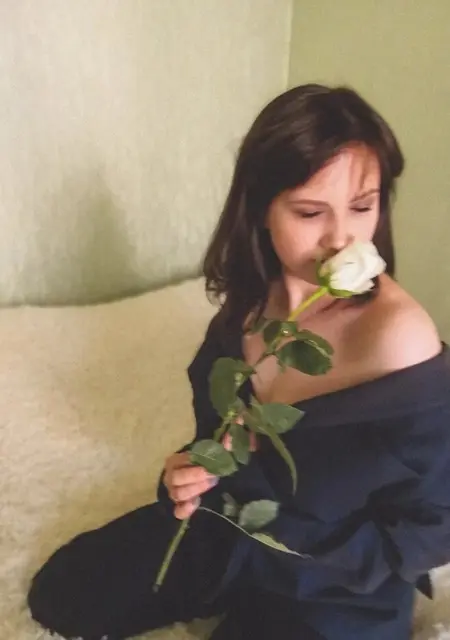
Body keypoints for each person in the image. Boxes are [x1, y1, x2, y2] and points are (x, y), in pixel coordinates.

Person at [27, 84, 450, 640]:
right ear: (260, 210)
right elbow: (218, 436)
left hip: (333, 588)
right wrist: (187, 475)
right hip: (227, 531)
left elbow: (433, 524)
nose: (341, 237)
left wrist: (290, 549)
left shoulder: (396, 338)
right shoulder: (251, 305)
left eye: (362, 206)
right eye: (309, 212)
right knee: (62, 594)